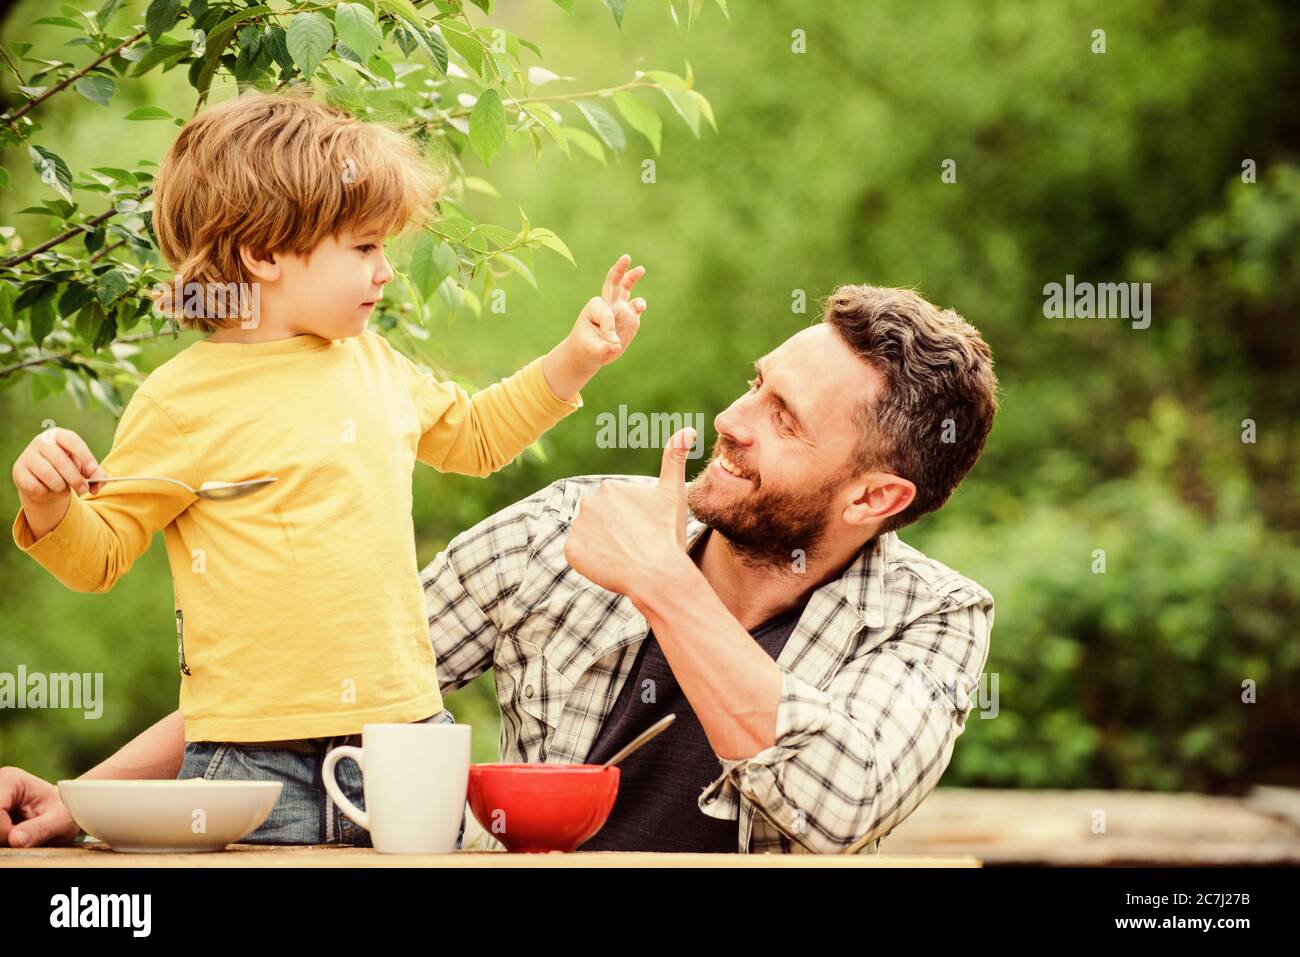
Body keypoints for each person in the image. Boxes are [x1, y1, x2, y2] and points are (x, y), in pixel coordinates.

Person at [3, 285, 997, 854]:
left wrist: (662, 581)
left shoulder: (937, 619)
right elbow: (325, 670)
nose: (730, 423)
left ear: (874, 498)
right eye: (754, 386)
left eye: (782, 419)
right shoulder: (570, 522)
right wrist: (77, 795)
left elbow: (840, 805)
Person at [5, 89, 647, 847]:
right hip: (247, 767)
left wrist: (575, 360)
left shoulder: (371, 361)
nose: (385, 272)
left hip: (403, 738)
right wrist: (48, 503)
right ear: (265, 253)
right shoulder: (179, 399)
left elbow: (475, 436)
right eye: (365, 248)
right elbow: (99, 555)